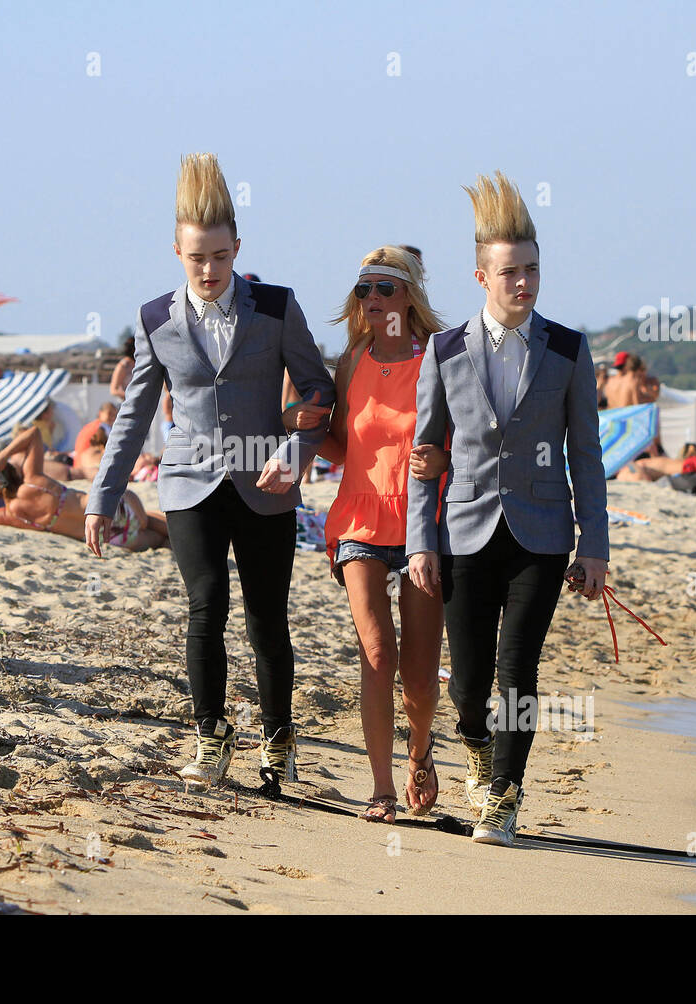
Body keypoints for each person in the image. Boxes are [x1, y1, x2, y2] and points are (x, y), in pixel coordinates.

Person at [83, 153, 335, 791]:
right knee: (205, 607)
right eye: (196, 258)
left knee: (266, 619)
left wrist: (297, 454)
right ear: (176, 251)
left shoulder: (276, 307)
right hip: (190, 482)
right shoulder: (155, 320)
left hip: (266, 485)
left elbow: (319, 391)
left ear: (237, 249)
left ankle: (278, 738)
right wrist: (101, 497)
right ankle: (211, 734)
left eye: (220, 257)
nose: (209, 270)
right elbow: (135, 412)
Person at [406, 172, 609, 847]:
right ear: (481, 276)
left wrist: (594, 545)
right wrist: (419, 544)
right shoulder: (444, 350)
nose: (524, 283)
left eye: (532, 270)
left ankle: (505, 799)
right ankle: (475, 741)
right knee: (467, 682)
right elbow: (424, 450)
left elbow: (586, 453)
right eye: (511, 273)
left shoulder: (570, 350)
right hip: (464, 530)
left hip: (543, 535)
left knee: (517, 667)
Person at [288, 245, 448, 823]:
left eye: (385, 288)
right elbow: (341, 442)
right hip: (358, 517)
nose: (373, 299)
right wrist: (296, 424)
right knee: (377, 651)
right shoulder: (353, 359)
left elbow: (465, 440)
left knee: (422, 675)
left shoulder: (439, 357)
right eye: (364, 289)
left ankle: (421, 749)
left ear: (409, 295)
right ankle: (380, 788)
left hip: (421, 521)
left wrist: (440, 461)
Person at [0, 425, 168, 550]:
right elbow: (34, 433)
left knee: (160, 540)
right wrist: (1, 456)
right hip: (108, 508)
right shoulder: (33, 480)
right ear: (12, 470)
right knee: (150, 520)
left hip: (110, 537)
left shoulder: (11, 515)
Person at [109, 335, 136, 400]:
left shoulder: (138, 364)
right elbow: (113, 390)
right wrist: (131, 396)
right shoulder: (123, 366)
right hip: (125, 404)